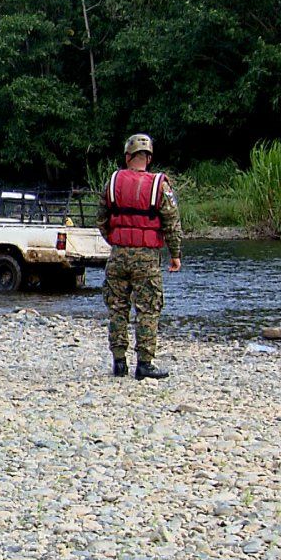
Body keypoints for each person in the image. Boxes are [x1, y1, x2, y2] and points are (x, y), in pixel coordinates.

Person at [97, 133, 183, 380]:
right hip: (146, 257)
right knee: (148, 308)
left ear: (127, 156)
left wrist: (116, 240)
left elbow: (102, 220)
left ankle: (119, 361)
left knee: (117, 307)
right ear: (149, 158)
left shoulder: (112, 182)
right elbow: (172, 223)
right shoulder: (160, 185)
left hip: (118, 255)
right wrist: (175, 254)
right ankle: (144, 364)